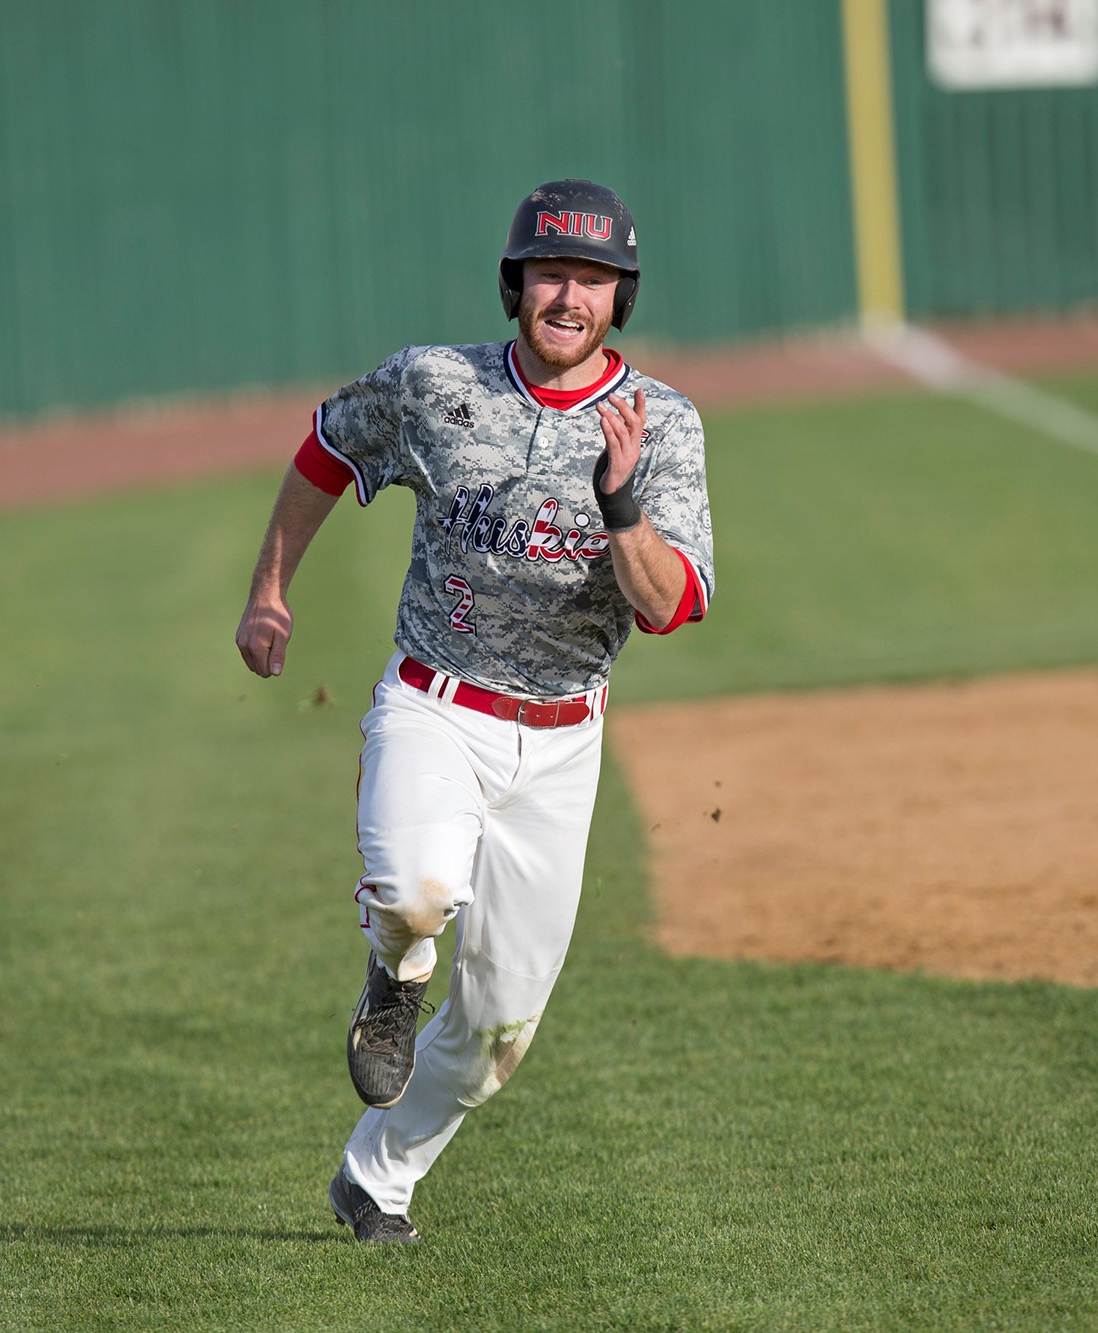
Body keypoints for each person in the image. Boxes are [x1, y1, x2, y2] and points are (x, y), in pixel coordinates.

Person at [235, 180, 714, 1243]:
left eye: (591, 278)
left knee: (499, 1033)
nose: (567, 294)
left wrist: (620, 499)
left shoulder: (661, 425)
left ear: (617, 297)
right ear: (515, 283)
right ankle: (395, 973)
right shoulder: (432, 385)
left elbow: (670, 603)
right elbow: (324, 447)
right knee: (412, 896)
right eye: (550, 271)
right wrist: (271, 588)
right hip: (433, 706)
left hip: (563, 744)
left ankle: (377, 1178)